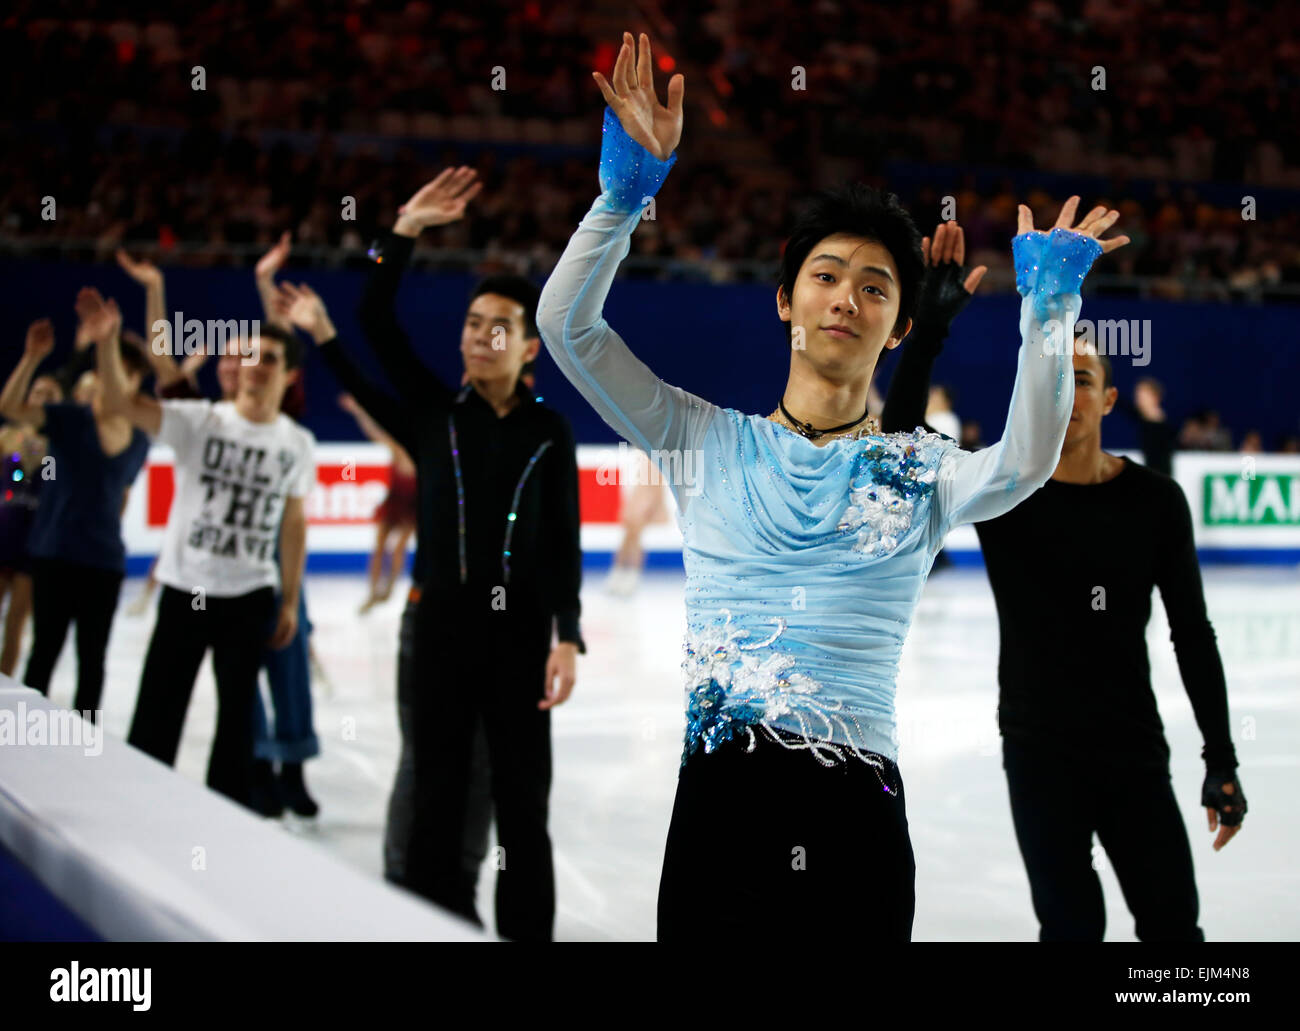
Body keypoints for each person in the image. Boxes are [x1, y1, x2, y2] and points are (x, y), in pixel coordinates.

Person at [538, 31, 1126, 940]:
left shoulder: (914, 468)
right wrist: (622, 198)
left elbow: (1025, 459)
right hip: (719, 818)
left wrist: (1048, 311)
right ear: (786, 301)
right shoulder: (701, 440)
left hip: (857, 821)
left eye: (876, 286)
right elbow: (567, 330)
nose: (847, 297)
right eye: (826, 276)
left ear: (897, 327)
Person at [882, 278, 1246, 942]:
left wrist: (1220, 757)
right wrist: (929, 327)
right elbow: (897, 442)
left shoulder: (1156, 502)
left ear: (1108, 397)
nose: (1066, 392)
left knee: (1173, 930)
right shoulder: (1004, 491)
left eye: (1080, 378)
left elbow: (1192, 633)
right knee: (1071, 930)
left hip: (1133, 750)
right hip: (1038, 753)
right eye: (1052, 376)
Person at [274, 172, 584, 938]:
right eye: (473, 323)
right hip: (438, 631)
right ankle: (431, 921)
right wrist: (403, 228)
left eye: (499, 325)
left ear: (530, 344)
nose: (481, 335)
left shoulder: (550, 434)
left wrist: (568, 634)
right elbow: (374, 318)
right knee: (437, 793)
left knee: (521, 806)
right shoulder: (431, 412)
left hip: (518, 641)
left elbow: (560, 543)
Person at [87, 285, 314, 811]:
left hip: (252, 596)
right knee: (157, 714)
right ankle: (138, 807)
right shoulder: (199, 420)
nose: (257, 365)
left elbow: (294, 524)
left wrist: (288, 600)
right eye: (250, 355)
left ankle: (227, 817)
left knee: (237, 724)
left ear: (290, 374)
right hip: (185, 590)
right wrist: (104, 346)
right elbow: (120, 402)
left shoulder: (297, 443)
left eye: (271, 358)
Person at [0, 313, 151, 715]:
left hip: (102, 562)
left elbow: (121, 496)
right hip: (53, 554)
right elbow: (12, 407)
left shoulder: (139, 438)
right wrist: (32, 358)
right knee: (44, 652)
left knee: (92, 661)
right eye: (108, 371)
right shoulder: (69, 419)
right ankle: (26, 735)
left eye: (125, 374)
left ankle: (85, 749)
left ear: (134, 383)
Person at [0, 374, 62, 677]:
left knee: (15, 626)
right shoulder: (6, 438)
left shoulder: (62, 446)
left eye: (50, 394)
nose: (43, 399)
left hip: (34, 544)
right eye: (38, 392)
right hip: (3, 535)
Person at [337, 392, 417, 613]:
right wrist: (357, 409)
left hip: (411, 507)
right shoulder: (396, 446)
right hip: (393, 504)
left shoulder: (420, 453)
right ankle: (373, 592)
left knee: (399, 548)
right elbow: (374, 431)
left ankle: (389, 589)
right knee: (380, 546)